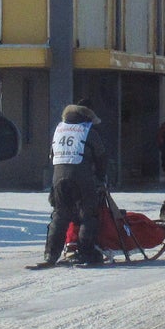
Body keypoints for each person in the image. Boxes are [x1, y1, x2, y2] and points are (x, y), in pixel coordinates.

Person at [38, 100, 109, 268]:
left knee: (60, 215)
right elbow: (101, 157)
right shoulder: (87, 130)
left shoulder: (59, 129)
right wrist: (100, 177)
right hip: (82, 177)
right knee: (88, 214)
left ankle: (51, 254)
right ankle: (86, 252)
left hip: (58, 177)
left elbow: (52, 155)